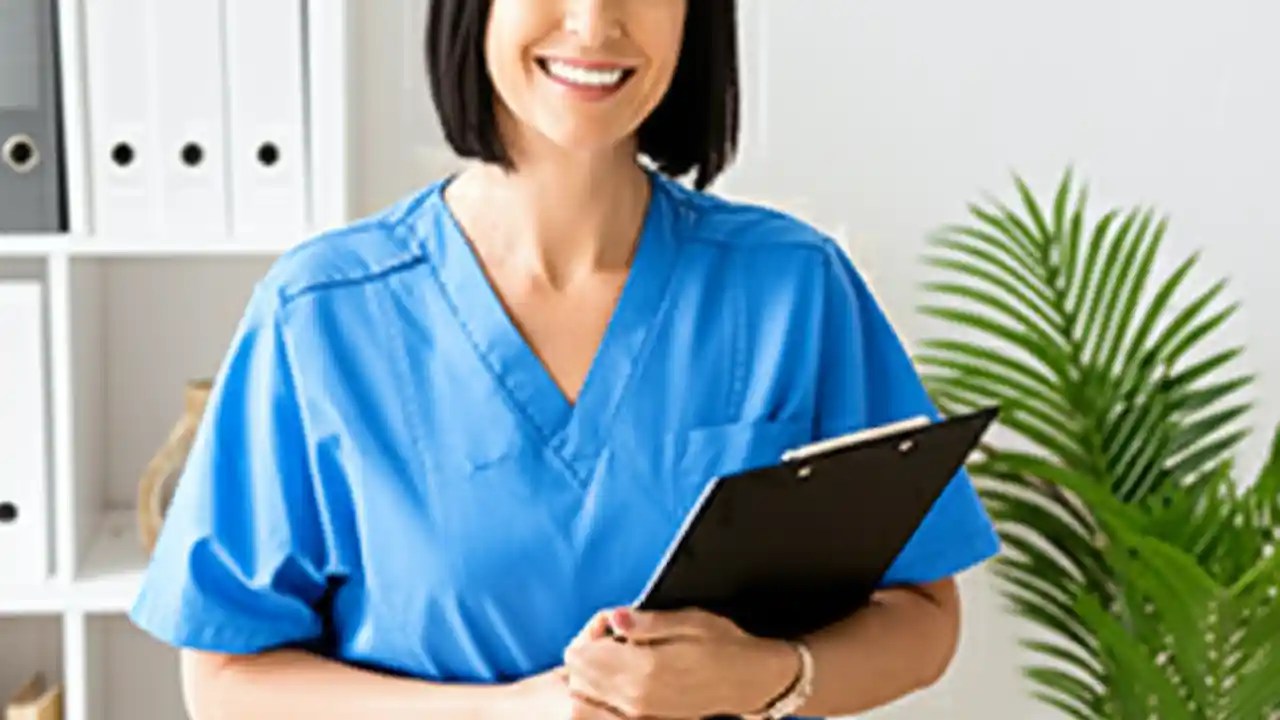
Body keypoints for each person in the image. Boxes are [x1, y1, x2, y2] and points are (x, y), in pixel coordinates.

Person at [128, 0, 1002, 718]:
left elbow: (923, 614)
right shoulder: (321, 313)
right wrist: (514, 713)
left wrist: (765, 676)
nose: (593, 22)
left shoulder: (793, 289)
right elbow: (226, 678)